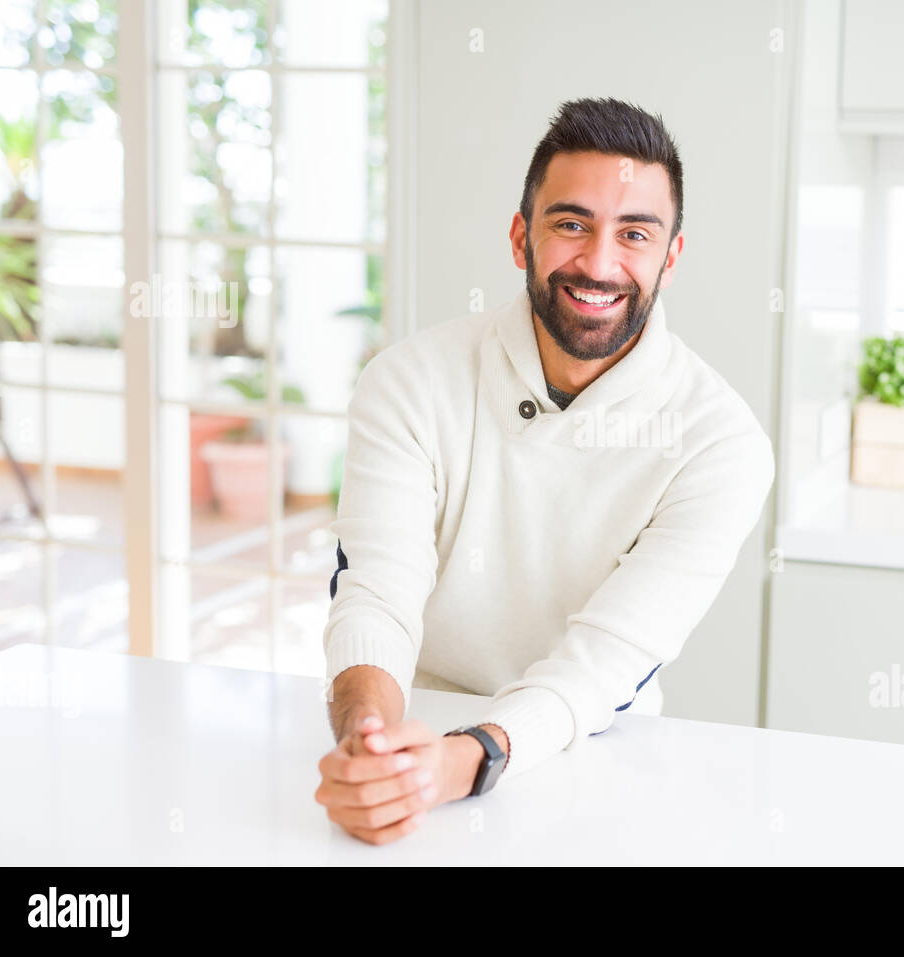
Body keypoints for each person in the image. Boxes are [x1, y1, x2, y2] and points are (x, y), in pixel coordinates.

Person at [313, 97, 775, 845]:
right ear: (521, 235)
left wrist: (467, 759)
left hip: (594, 762)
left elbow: (603, 665)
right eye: (571, 224)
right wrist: (371, 741)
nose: (598, 263)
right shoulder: (408, 380)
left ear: (671, 256)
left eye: (634, 234)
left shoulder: (722, 443)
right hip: (414, 729)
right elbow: (376, 593)